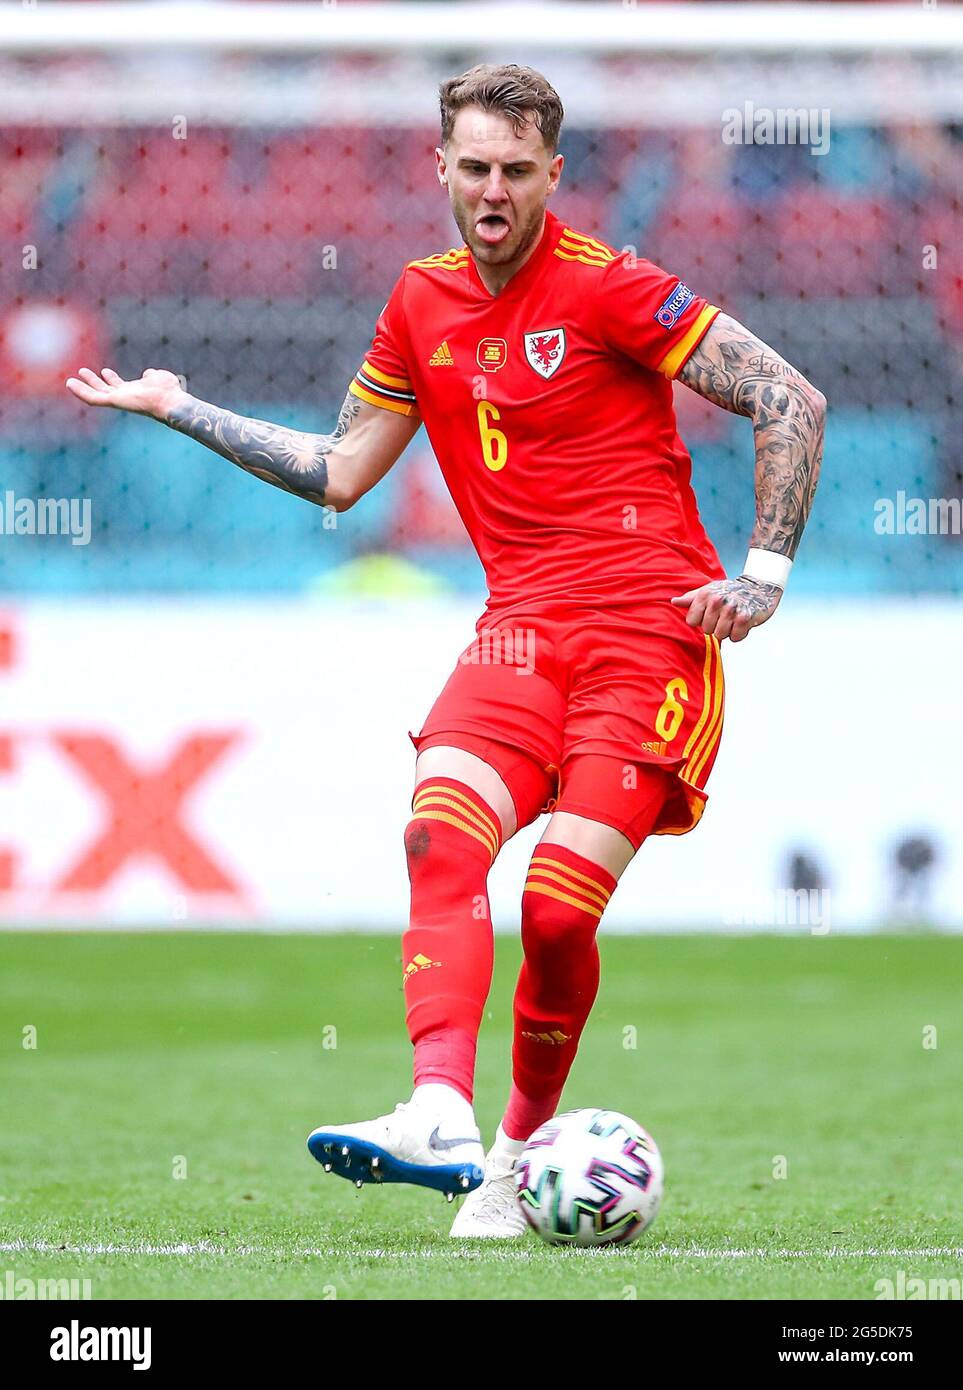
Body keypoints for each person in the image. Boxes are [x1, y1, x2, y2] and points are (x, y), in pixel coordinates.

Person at [66, 63, 825, 1238]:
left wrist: (763, 577)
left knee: (559, 914)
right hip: (517, 632)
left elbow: (793, 400)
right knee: (437, 829)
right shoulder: (418, 302)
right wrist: (180, 407)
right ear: (440, 167)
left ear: (552, 177)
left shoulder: (613, 287)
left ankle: (519, 1159)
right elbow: (341, 469)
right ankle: (438, 1112)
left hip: (647, 638)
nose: (492, 190)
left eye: (517, 172)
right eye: (473, 167)